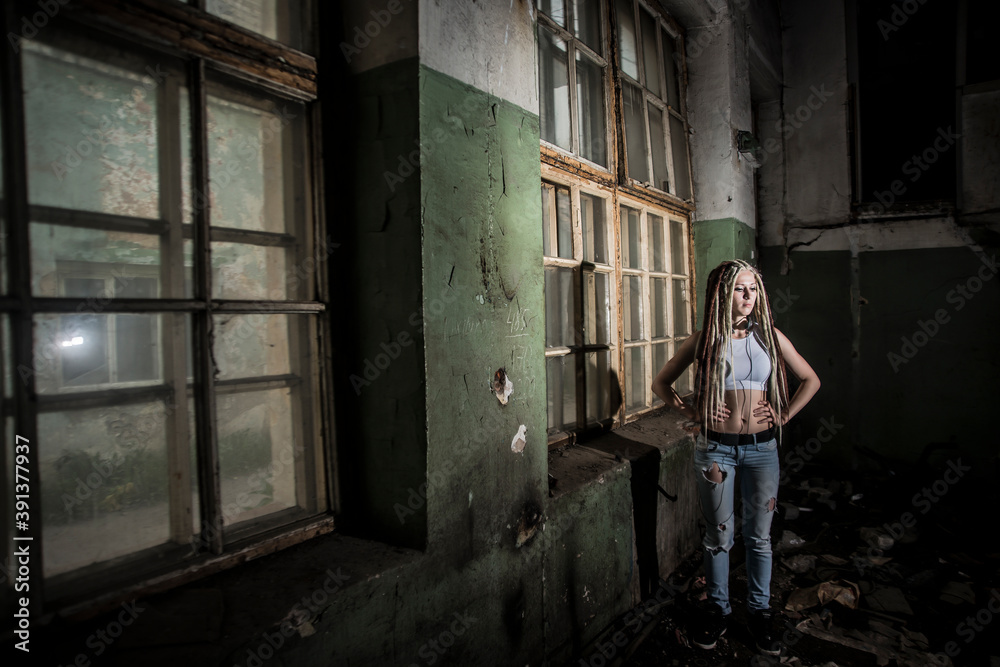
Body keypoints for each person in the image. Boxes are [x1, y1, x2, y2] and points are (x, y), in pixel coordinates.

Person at [652, 259, 820, 656]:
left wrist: (783, 415)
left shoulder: (770, 337)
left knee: (759, 537)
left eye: (753, 289)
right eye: (740, 289)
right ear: (722, 294)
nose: (749, 296)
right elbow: (661, 382)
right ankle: (718, 609)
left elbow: (811, 379)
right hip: (716, 449)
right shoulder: (704, 340)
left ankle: (760, 613)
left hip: (762, 448)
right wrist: (692, 411)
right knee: (719, 537)